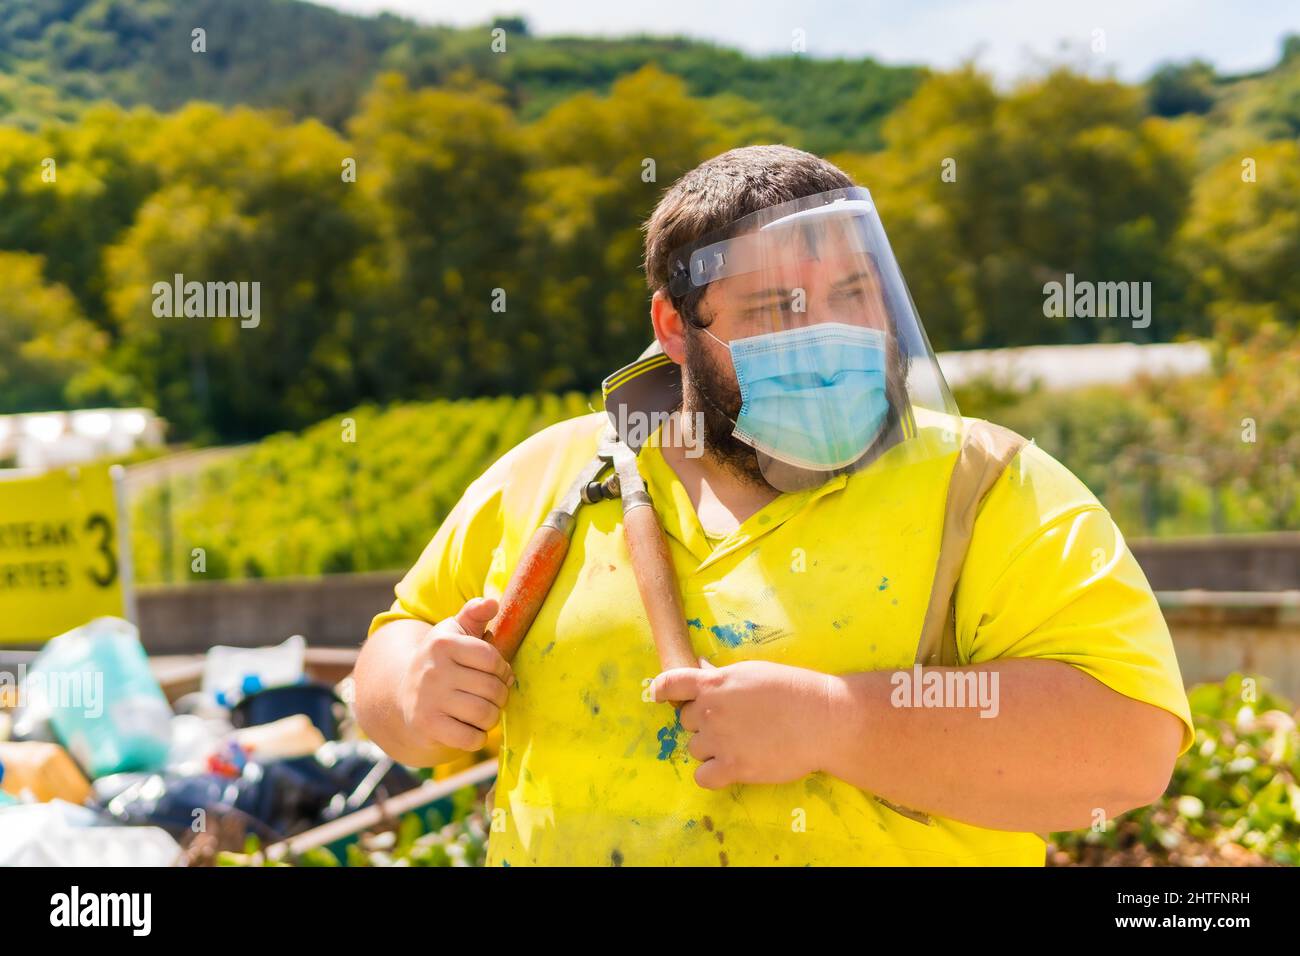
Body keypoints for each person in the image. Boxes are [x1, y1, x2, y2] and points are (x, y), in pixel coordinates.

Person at [354, 145, 1193, 866]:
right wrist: (413, 695)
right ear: (676, 328)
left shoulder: (988, 485)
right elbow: (393, 655)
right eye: (774, 307)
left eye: (855, 294)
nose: (827, 333)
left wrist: (840, 724)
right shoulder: (551, 474)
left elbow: (1130, 749)